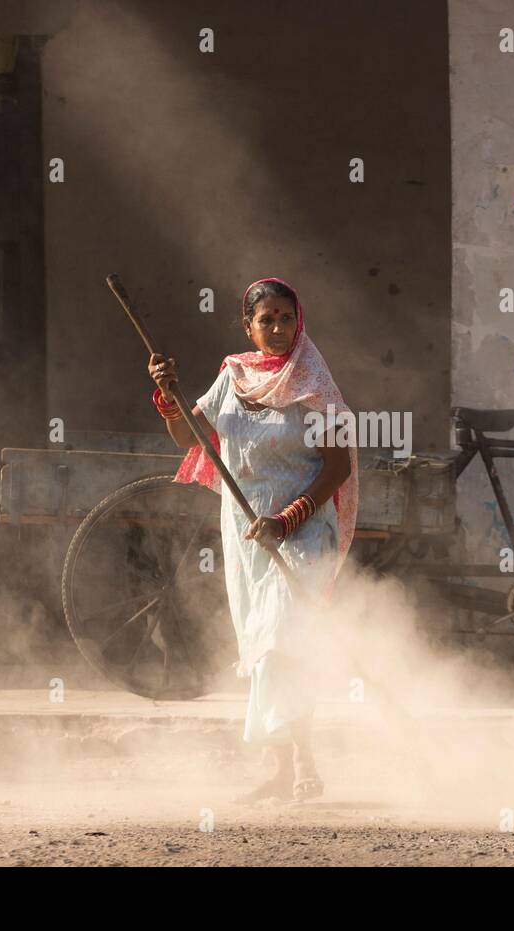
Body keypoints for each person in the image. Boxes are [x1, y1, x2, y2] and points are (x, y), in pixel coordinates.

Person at [148, 277, 358, 803]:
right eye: (267, 319)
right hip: (246, 534)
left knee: (287, 640)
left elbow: (337, 468)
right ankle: (282, 768)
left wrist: (288, 520)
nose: (279, 328)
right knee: (264, 649)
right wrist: (170, 396)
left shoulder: (312, 384)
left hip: (304, 528)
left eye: (287, 318)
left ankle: (305, 758)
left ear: (299, 321)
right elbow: (189, 437)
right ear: (249, 326)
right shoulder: (232, 377)